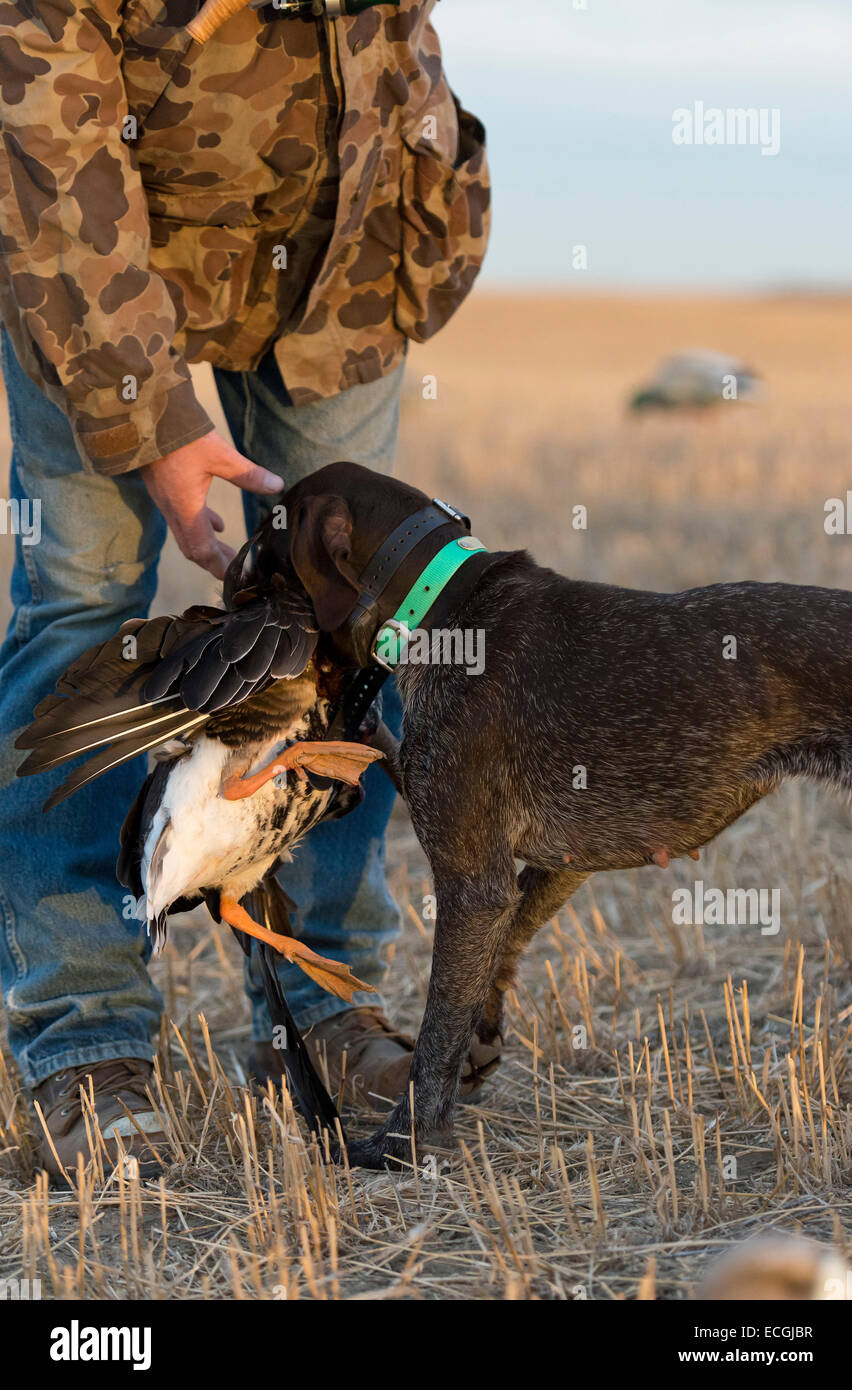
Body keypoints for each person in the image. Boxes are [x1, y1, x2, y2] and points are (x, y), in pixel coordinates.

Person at [0, 0, 490, 1177]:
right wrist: (145, 410)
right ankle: (85, 1042)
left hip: (344, 252)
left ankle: (318, 1009)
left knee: (364, 641)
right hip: (102, 265)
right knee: (83, 611)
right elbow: (47, 114)